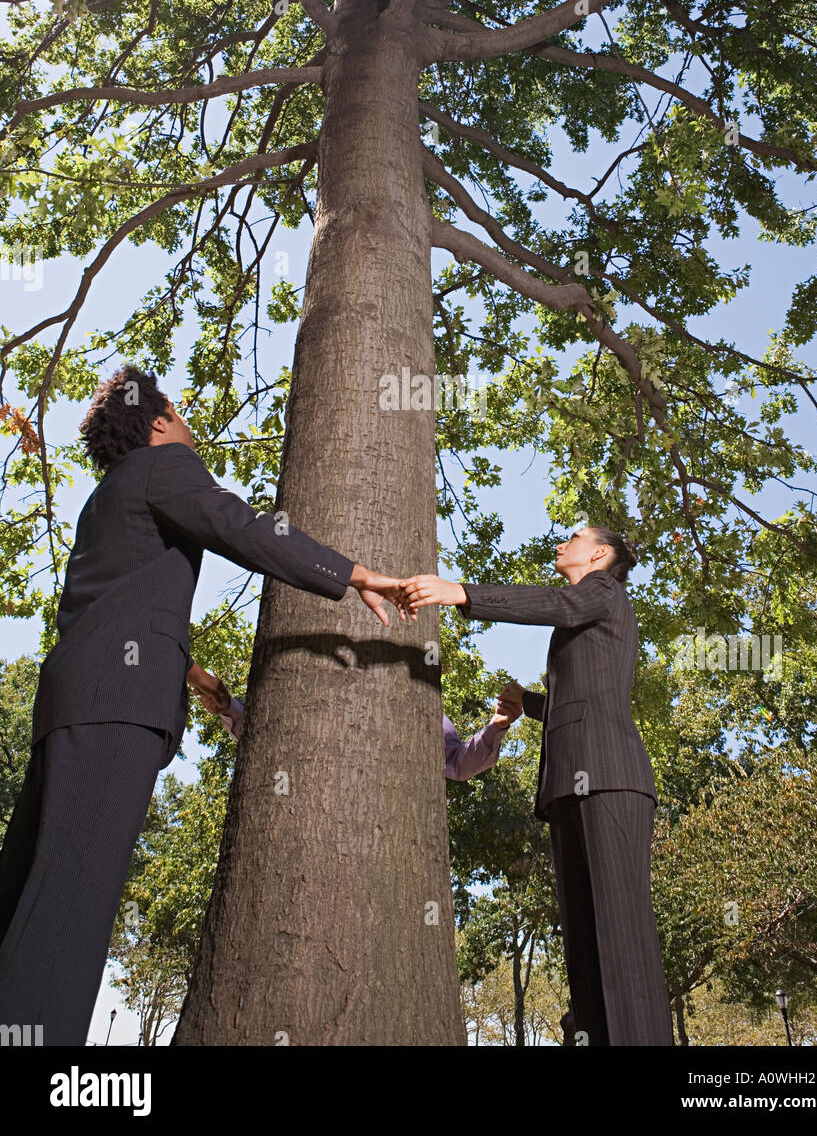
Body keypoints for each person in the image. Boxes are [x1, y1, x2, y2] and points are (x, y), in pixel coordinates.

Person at [0, 364, 410, 1046]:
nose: (188, 423)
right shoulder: (166, 467)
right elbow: (242, 527)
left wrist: (186, 671)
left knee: (23, 898)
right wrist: (356, 574)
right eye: (179, 411)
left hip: (70, 703)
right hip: (116, 708)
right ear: (159, 421)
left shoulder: (103, 500)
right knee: (69, 907)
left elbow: (115, 603)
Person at [400, 527, 673, 1046]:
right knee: (584, 945)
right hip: (567, 785)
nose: (560, 544)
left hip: (610, 779)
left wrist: (461, 593)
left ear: (599, 553)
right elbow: (582, 700)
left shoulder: (601, 590)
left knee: (622, 937)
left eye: (574, 537)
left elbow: (558, 605)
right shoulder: (592, 609)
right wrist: (527, 703)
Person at [188, 664, 523, 780]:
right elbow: (276, 738)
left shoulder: (424, 712)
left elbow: (457, 764)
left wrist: (497, 726)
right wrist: (229, 708)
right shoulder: (317, 683)